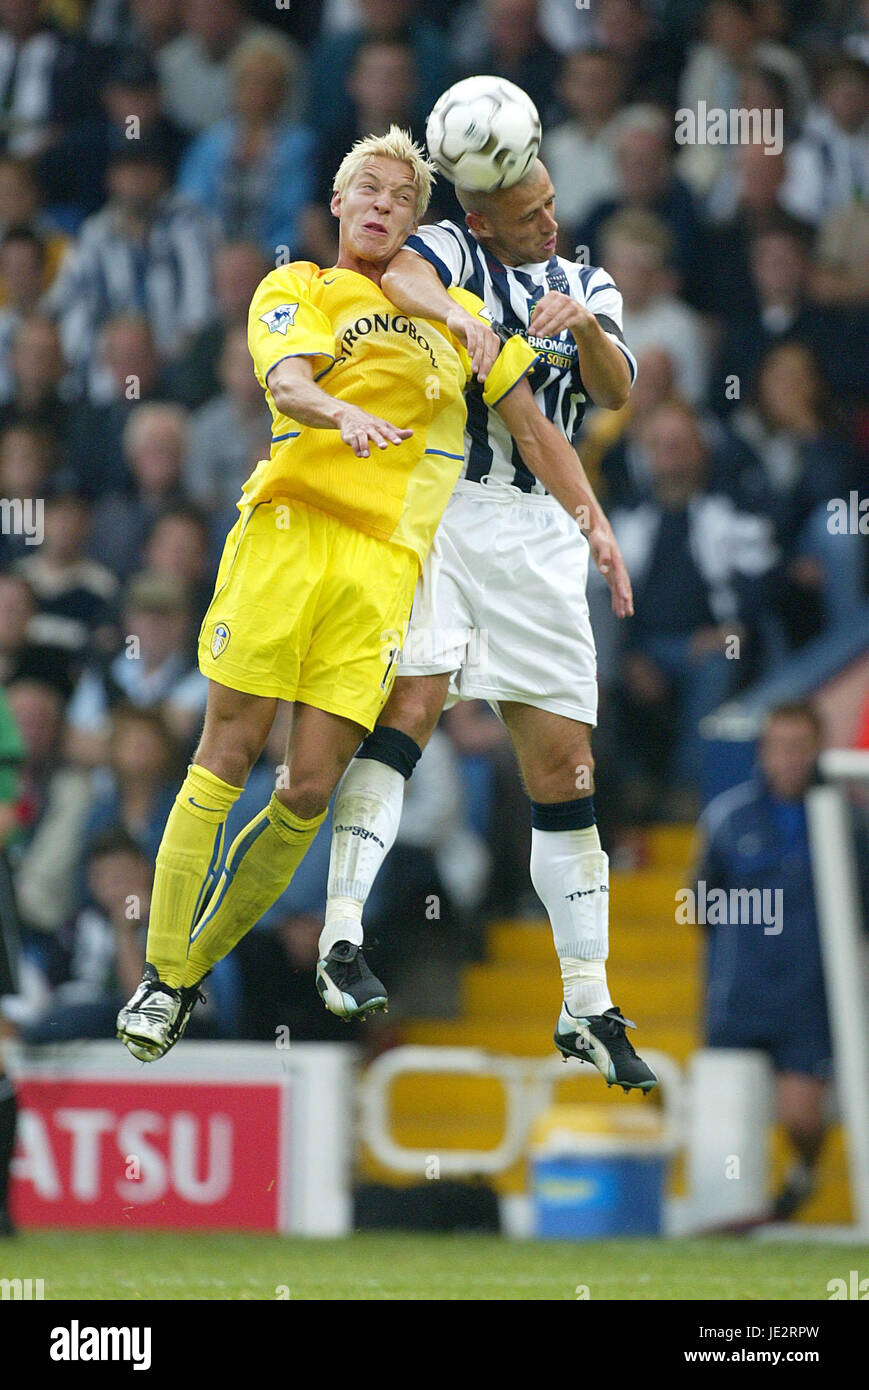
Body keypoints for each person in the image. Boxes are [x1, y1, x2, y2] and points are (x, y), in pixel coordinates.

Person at [115, 126, 595, 1063]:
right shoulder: (295, 287)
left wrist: (593, 522)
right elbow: (289, 383)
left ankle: (179, 981)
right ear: (337, 204)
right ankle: (159, 974)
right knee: (224, 752)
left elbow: (534, 428)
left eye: (401, 197)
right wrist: (341, 409)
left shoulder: (451, 315)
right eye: (366, 190)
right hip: (288, 537)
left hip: (382, 570)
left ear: (417, 222)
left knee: (305, 789)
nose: (381, 204)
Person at [317, 151, 659, 1093]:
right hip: (440, 507)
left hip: (540, 532)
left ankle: (584, 1002)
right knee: (411, 708)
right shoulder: (450, 256)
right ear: (481, 215)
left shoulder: (583, 279)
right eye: (530, 208)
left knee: (563, 764)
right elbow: (403, 272)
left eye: (551, 202)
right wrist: (463, 315)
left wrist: (584, 324)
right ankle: (340, 931)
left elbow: (616, 388)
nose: (550, 220)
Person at [695, 702, 835, 1220]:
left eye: (800, 745)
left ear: (818, 748)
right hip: (741, 994)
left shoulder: (846, 819)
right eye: (779, 745)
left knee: (800, 1116)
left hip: (810, 995)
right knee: (727, 1122)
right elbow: (701, 904)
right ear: (763, 751)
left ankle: (803, 1176)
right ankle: (730, 1216)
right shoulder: (729, 817)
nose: (789, 757)